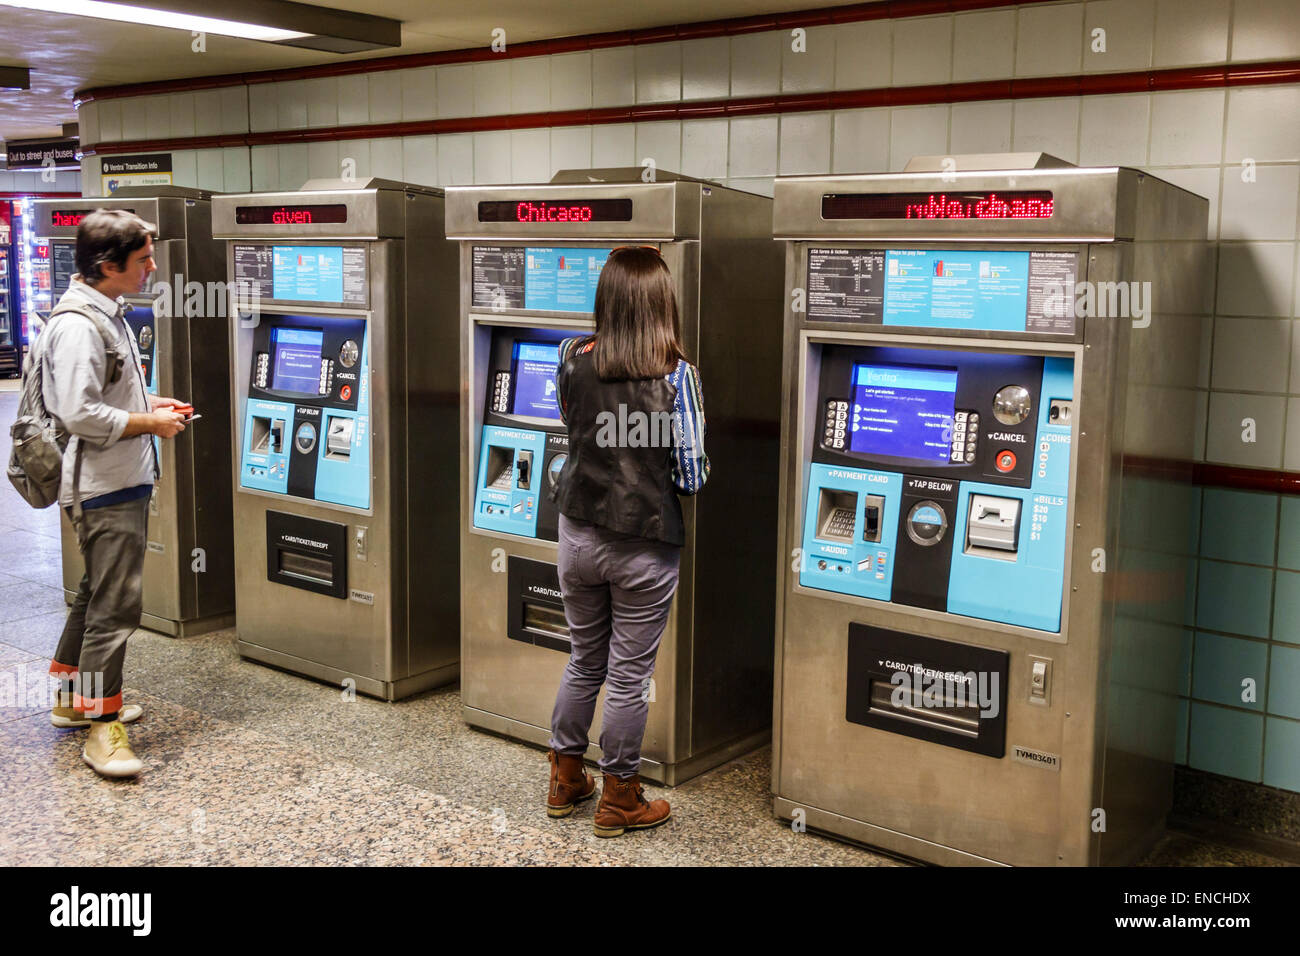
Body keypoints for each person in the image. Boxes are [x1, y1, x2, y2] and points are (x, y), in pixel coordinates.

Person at [545, 246, 710, 837]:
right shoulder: (678, 376)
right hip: (643, 542)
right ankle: (620, 797)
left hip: (577, 533)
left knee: (584, 657)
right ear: (661, 304)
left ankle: (565, 777)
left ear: (606, 300)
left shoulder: (571, 356)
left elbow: (571, 425)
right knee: (627, 675)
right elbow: (690, 474)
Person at [41, 209, 189, 778]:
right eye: (143, 259)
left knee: (92, 592)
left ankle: (69, 697)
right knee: (115, 606)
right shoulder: (81, 325)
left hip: (115, 479)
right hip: (104, 485)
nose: (152, 266)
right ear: (108, 266)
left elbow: (105, 396)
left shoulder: (106, 312)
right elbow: (79, 413)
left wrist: (151, 406)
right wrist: (148, 426)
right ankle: (102, 732)